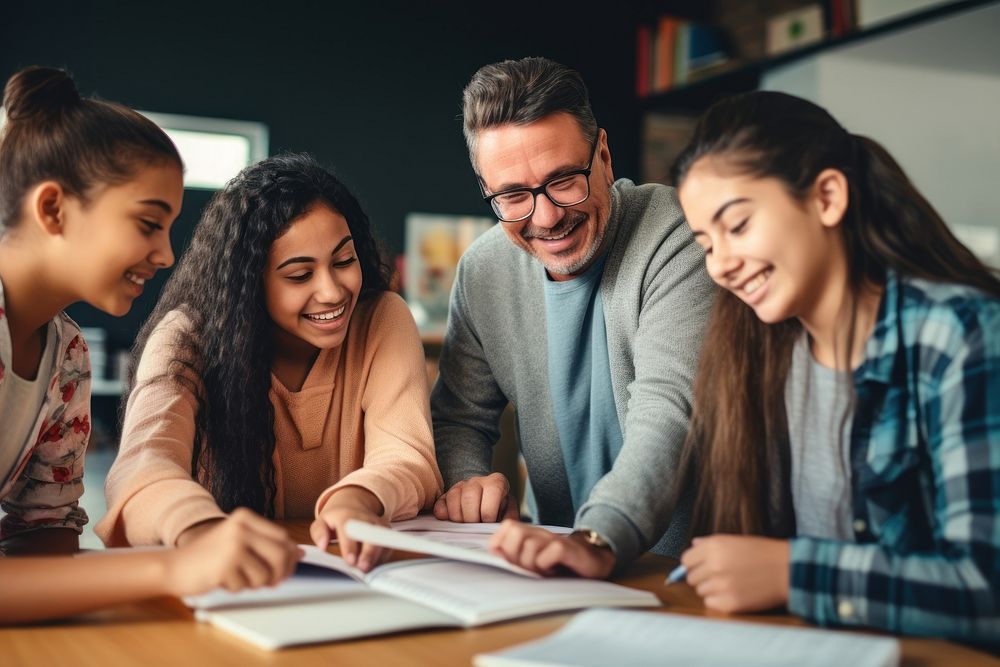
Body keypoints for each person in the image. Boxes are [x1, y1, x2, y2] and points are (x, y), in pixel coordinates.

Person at [672, 90, 1000, 642]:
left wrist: (791, 572)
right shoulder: (764, 352)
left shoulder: (958, 335)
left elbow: (987, 587)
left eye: (739, 225)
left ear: (827, 197)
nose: (721, 265)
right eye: (706, 244)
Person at [0, 66, 300, 624]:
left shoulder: (67, 355)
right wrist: (171, 568)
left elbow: (43, 535)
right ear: (53, 209)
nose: (166, 255)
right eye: (147, 223)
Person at [431, 57, 715, 577]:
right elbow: (459, 417)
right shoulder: (482, 269)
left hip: (683, 572)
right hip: (552, 564)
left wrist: (597, 537)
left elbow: (670, 411)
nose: (546, 217)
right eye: (513, 195)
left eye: (563, 180)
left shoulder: (679, 233)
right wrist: (468, 488)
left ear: (603, 155)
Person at [96, 153, 443, 572]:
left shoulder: (383, 319)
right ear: (248, 283)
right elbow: (143, 465)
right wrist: (199, 529)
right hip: (228, 576)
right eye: (299, 275)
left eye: (343, 261)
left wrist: (359, 499)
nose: (332, 291)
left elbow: (407, 454)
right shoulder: (186, 339)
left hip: (352, 571)